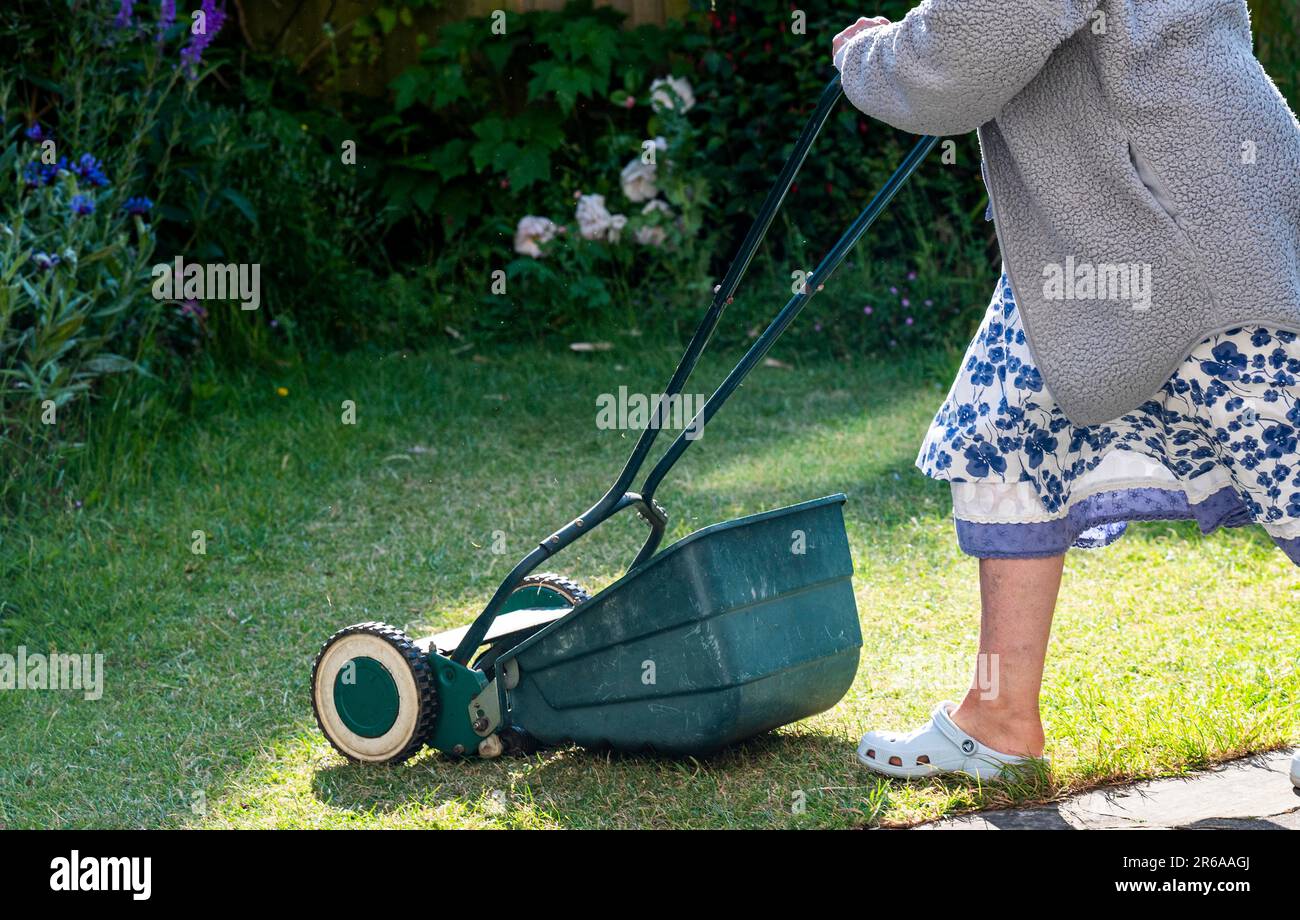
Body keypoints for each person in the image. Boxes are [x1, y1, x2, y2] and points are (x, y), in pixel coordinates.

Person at [831, 2, 1300, 782]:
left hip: (1183, 223)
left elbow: (972, 50)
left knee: (1288, 456)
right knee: (1001, 430)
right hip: (1118, 230)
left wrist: (869, 57)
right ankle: (999, 719)